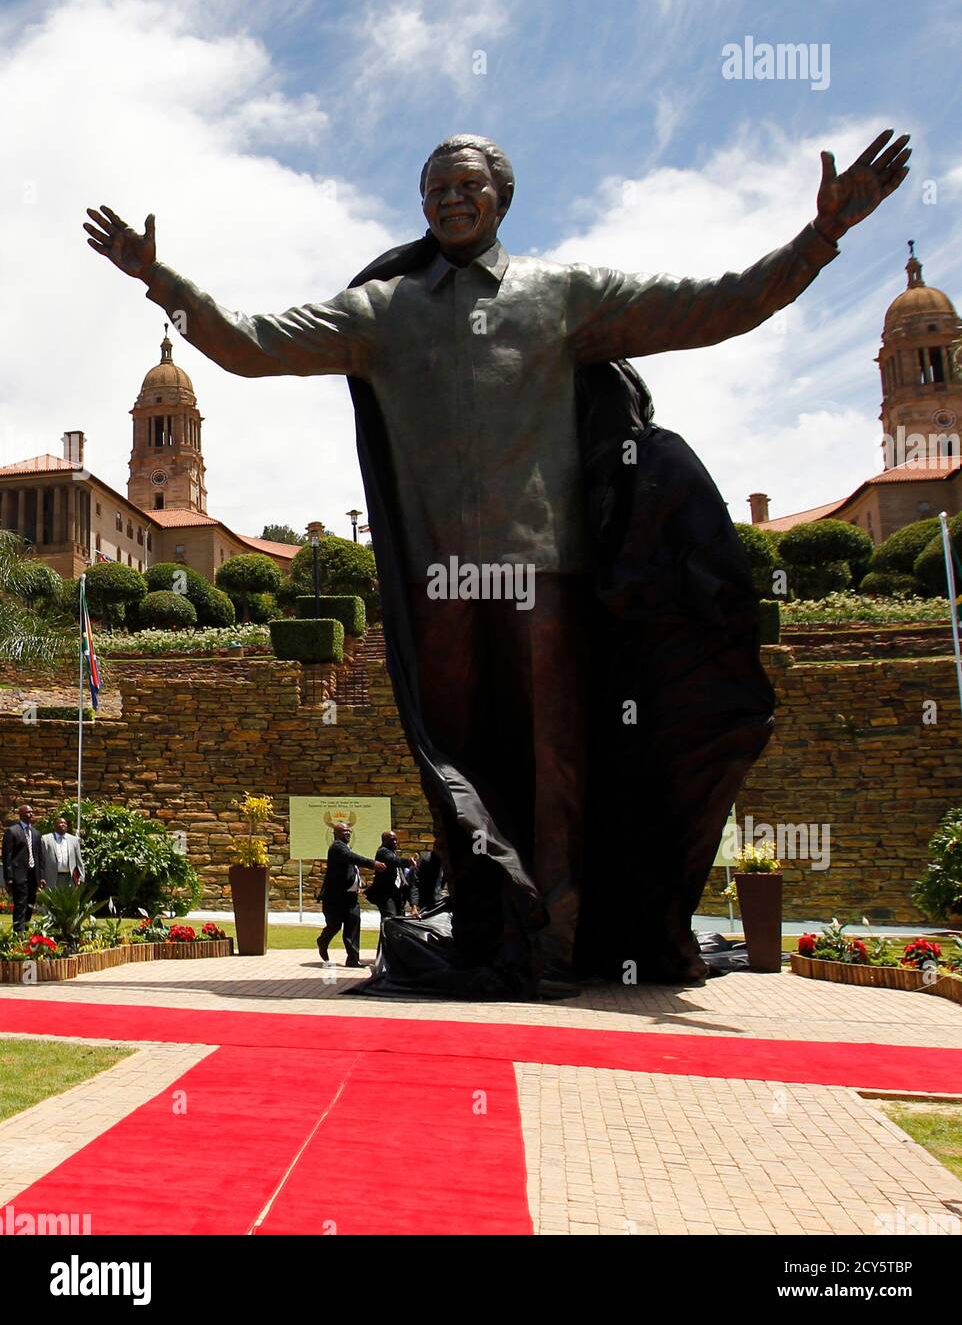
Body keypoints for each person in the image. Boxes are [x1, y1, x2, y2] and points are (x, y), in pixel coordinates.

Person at [84, 127, 910, 997]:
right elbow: (248, 343)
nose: (449, 199)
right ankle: (492, 929)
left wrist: (821, 237)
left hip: (544, 576)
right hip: (437, 585)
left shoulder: (562, 295)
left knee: (557, 762)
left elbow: (716, 305)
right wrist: (159, 280)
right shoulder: (382, 312)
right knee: (460, 767)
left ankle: (553, 944)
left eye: (466, 184)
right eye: (434, 187)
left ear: (501, 198)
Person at [316, 822, 379, 968]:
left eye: (349, 831)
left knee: (353, 925)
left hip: (351, 897)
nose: (348, 833)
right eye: (344, 831)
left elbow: (350, 867)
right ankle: (323, 941)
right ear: (336, 834)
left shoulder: (346, 848)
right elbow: (352, 858)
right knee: (334, 925)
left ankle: (352, 959)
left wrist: (358, 880)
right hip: (335, 897)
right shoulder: (337, 847)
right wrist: (373, 863)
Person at [2, 804, 42, 931]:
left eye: (32, 812)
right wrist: (8, 877)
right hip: (19, 875)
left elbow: (39, 856)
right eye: (28, 812)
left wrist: (41, 876)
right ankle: (18, 933)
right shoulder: (12, 831)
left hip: (33, 875)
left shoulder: (36, 833)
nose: (31, 814)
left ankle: (26, 930)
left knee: (30, 904)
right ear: (21, 814)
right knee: (20, 904)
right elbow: (7, 856)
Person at [367, 830, 415, 922]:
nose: (395, 842)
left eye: (396, 840)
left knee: (399, 922)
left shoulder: (393, 853)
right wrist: (408, 861)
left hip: (398, 894)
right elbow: (394, 861)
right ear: (384, 841)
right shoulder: (382, 852)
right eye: (392, 840)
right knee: (389, 920)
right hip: (386, 895)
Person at [40, 817, 84, 891]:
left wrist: (81, 877)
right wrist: (41, 877)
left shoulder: (74, 840)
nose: (63, 824)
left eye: (65, 823)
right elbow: (41, 860)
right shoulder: (45, 839)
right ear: (54, 826)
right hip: (52, 878)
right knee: (52, 902)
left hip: (69, 878)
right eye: (60, 823)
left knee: (68, 901)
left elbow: (79, 860)